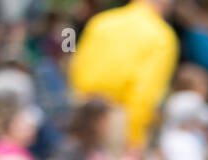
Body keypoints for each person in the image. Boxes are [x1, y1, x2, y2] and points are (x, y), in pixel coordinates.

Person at [67, 0, 179, 150]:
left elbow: (76, 66)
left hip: (82, 111)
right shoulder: (162, 36)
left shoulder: (101, 21)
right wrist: (135, 139)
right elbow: (144, 94)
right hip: (119, 120)